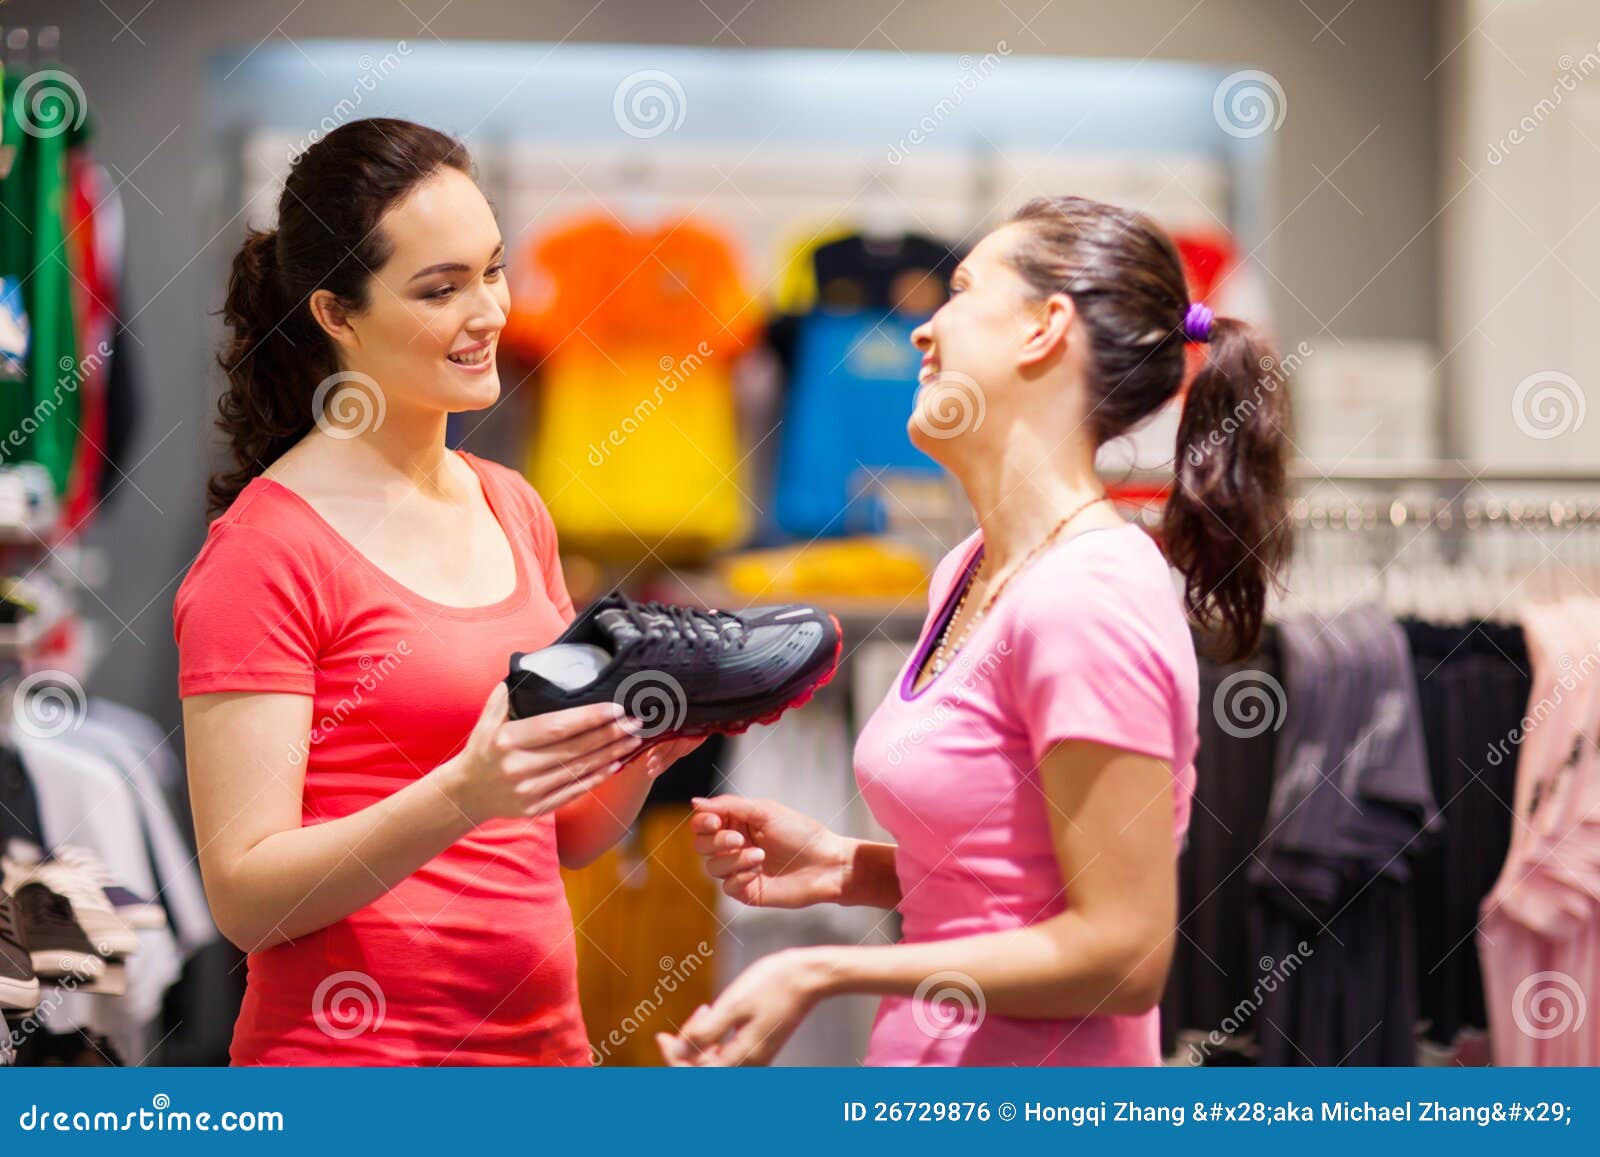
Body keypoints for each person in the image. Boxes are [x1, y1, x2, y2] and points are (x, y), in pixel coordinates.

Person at [662, 195, 1291, 1067]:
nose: (923, 330)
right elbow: (1014, 883)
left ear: (1044, 328)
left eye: (959, 290)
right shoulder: (969, 568)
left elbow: (1124, 954)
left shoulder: (1090, 594)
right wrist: (848, 865)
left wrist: (823, 968)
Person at [174, 118, 699, 1065]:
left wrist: (661, 731)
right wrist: (460, 791)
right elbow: (247, 898)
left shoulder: (512, 507)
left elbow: (570, 831)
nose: (489, 312)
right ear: (337, 313)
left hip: (543, 1056)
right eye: (439, 288)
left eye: (492, 270)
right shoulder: (265, 550)